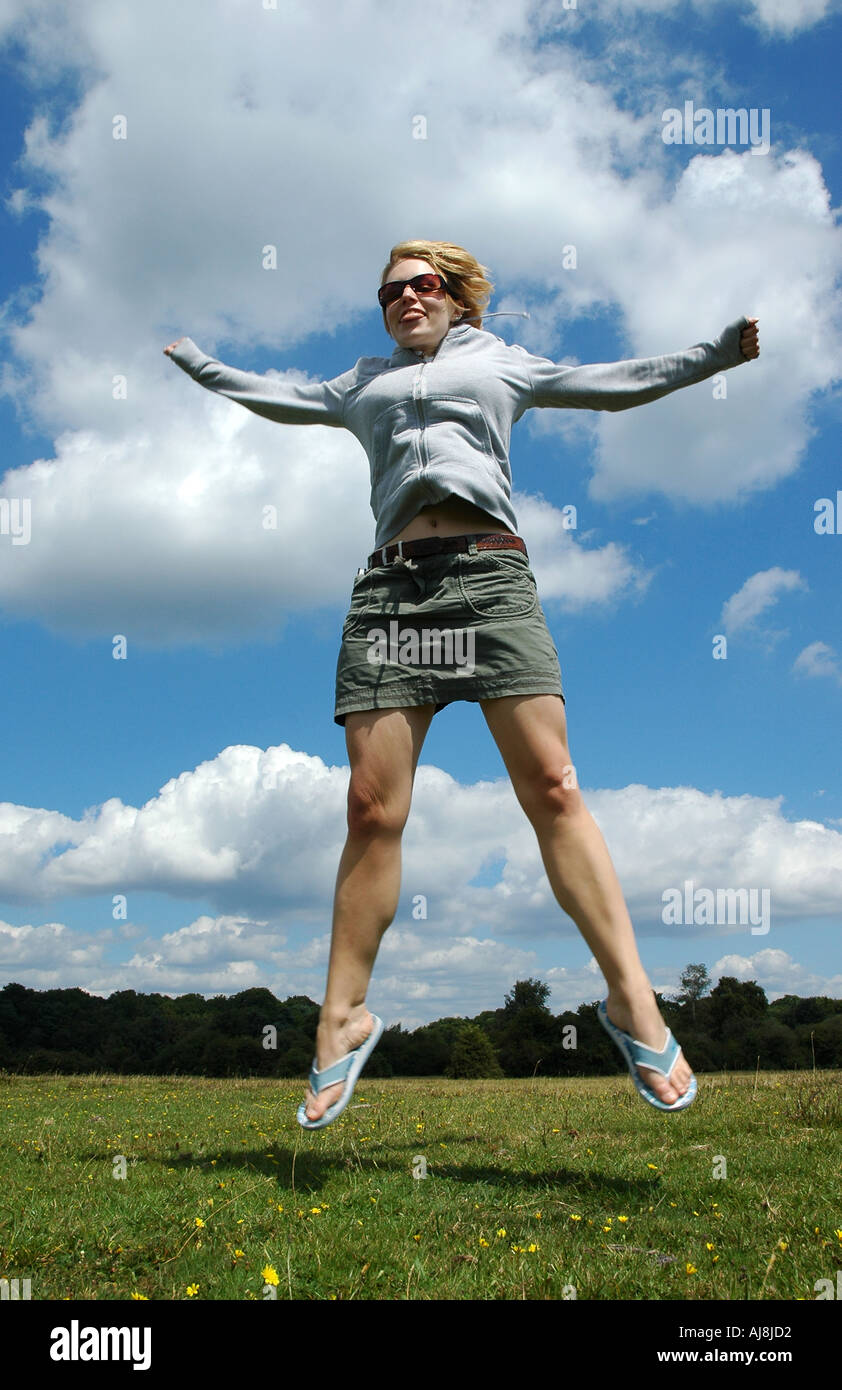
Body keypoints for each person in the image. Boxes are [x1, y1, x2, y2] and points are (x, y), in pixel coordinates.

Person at [164, 239, 759, 1128]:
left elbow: (613, 381)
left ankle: (632, 999)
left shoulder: (500, 365)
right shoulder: (361, 383)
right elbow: (279, 397)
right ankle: (342, 1018)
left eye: (425, 285)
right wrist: (201, 365)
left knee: (554, 787)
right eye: (392, 291)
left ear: (457, 297)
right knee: (372, 808)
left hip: (488, 581)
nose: (408, 298)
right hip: (393, 593)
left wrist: (711, 357)